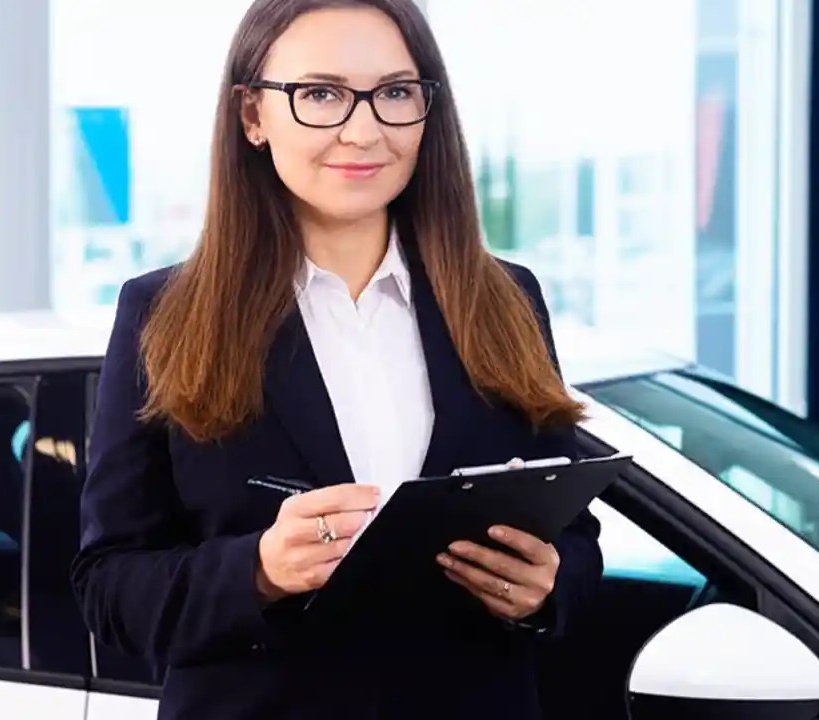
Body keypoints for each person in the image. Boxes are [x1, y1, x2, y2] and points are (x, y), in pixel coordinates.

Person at [70, 0, 602, 717]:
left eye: (394, 93)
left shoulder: (506, 297)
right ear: (252, 116)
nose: (364, 129)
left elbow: (575, 544)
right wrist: (258, 568)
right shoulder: (164, 316)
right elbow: (110, 588)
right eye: (320, 94)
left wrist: (545, 587)